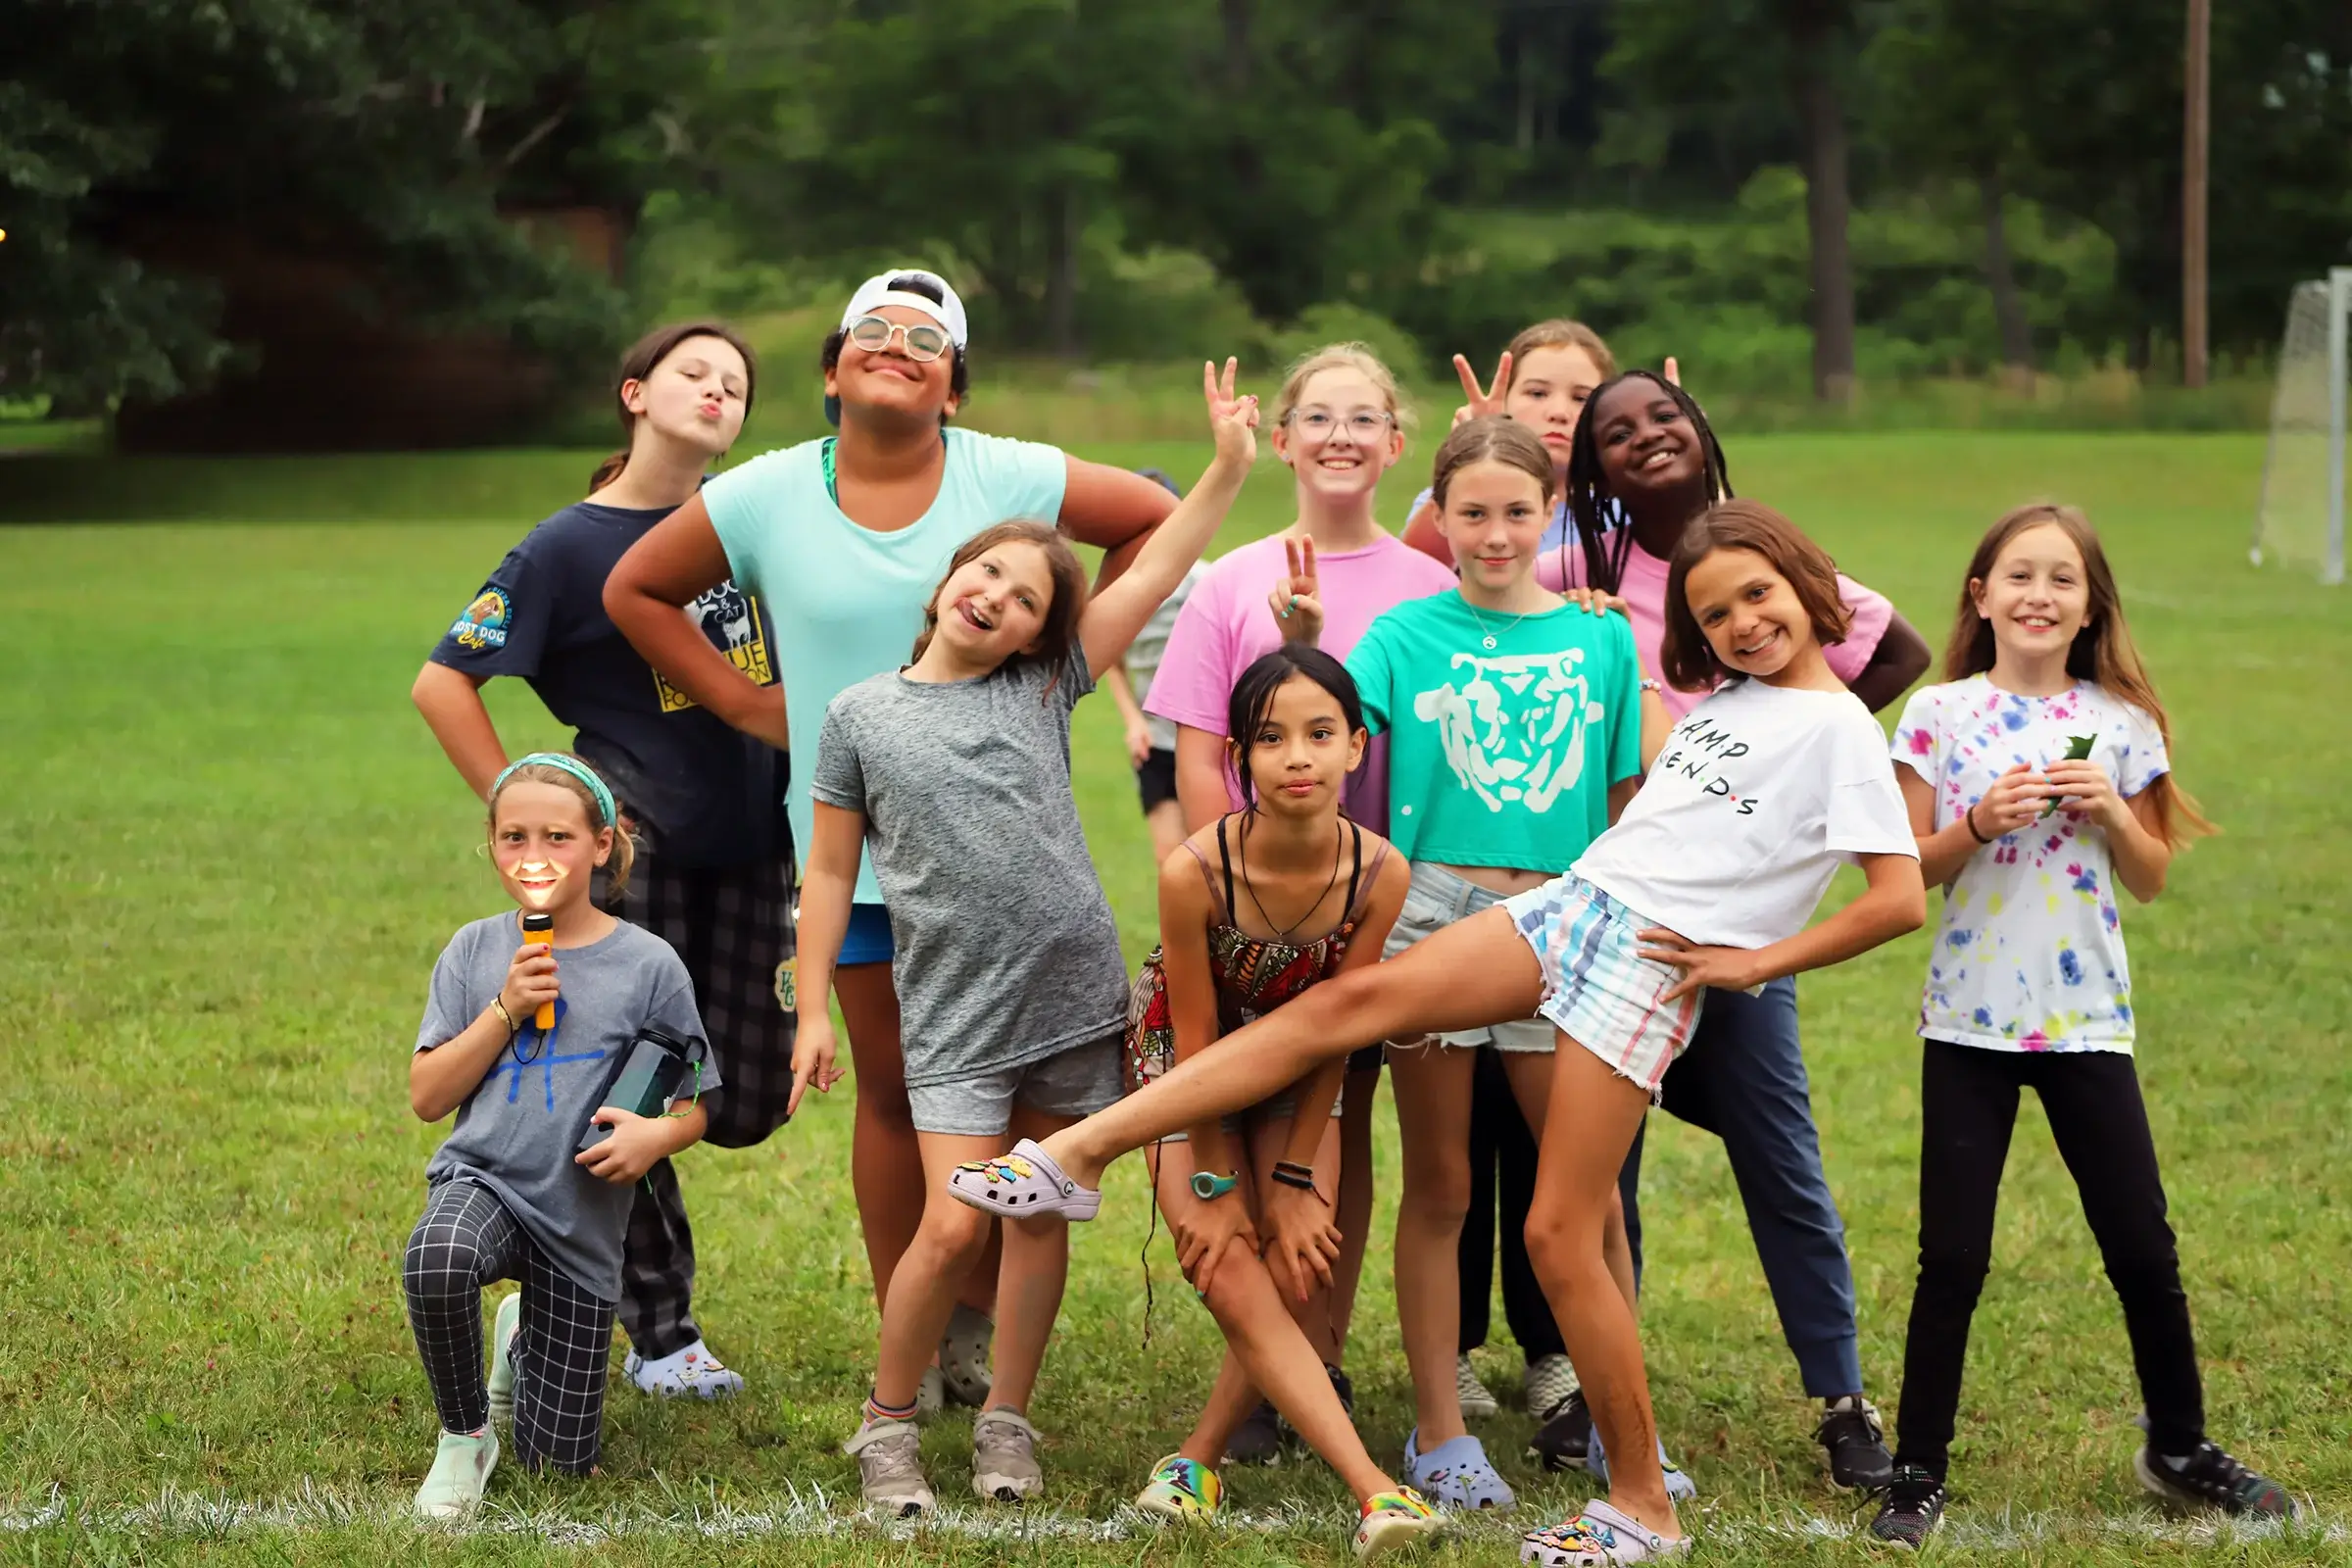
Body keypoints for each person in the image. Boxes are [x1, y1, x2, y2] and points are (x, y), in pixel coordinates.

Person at [953, 499, 1929, 1565]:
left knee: (1562, 1232)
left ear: (1804, 581)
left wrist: (1751, 963)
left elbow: (1896, 897)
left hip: (1646, 961)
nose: (1741, 621)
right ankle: (1077, 1153)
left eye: (1756, 594)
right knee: (1343, 1003)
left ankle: (1644, 1505)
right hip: (1574, 904)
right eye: (1713, 610)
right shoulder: (1730, 703)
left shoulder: (1838, 728)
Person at [603, 270, 1178, 1412]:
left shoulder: (1008, 474)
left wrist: (1053, 675)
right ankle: (909, 1330)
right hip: (860, 865)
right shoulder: (765, 495)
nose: (896, 347)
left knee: (1007, 1110)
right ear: (831, 369)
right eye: (873, 332)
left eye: (926, 340)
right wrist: (749, 704)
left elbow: (1153, 526)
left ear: (954, 388)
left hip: (998, 869)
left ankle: (974, 1322)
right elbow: (637, 589)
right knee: (895, 1094)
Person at [791, 361, 1256, 1515]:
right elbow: (830, 869)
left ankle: (1009, 1418)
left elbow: (1150, 565)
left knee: (1039, 1213)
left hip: (1073, 996)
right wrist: (809, 1006)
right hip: (953, 1007)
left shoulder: (1042, 691)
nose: (997, 595)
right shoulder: (860, 714)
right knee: (955, 1225)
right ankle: (887, 1425)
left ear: (1042, 639)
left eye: (1028, 596)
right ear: (950, 579)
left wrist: (1229, 468)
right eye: (986, 571)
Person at [1528, 369, 1934, 1486]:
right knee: (1608, 1168)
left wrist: (1811, 756)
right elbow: (1468, 560)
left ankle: (1843, 1397)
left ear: (1703, 424)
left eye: (1663, 415)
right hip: (1628, 908)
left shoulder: (1761, 560)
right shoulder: (1577, 567)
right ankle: (1603, 1396)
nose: (1647, 439)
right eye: (1615, 433)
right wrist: (1499, 439)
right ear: (1591, 469)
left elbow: (1896, 651)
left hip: (1737, 921)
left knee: (1777, 1149)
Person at [1867, 505, 2288, 1544]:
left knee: (2142, 1243)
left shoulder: (2122, 721)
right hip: (1969, 1020)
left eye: (2062, 579)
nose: (2039, 595)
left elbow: (2149, 877)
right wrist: (1978, 823)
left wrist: (2107, 808)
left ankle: (2180, 1445)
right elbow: (1900, 866)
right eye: (2018, 575)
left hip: (2087, 1020)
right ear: (1981, 593)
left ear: (2091, 604)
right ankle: (1916, 1470)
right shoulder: (1938, 713)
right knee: (1953, 1255)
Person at [1277, 416, 1666, 1510]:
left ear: (1552, 517)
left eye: (1516, 513)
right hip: (1434, 923)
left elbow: (1628, 798)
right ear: (1437, 520)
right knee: (1442, 1184)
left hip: (1566, 923)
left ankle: (1611, 1424)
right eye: (1472, 514)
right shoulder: (1403, 633)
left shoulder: (1601, 638)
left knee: (1582, 1199)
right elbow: (1315, 724)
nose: (1495, 535)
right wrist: (1304, 640)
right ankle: (1441, 1434)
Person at [411, 320, 778, 1400]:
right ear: (633, 393)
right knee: (630, 1090)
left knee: (742, 1096)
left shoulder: (749, 528)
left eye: (737, 385)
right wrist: (532, 818)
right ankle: (659, 1330)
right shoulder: (567, 546)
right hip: (640, 852)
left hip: (757, 847)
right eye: (693, 374)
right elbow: (445, 681)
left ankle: (557, 1265)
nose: (717, 392)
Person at [1142, 342, 1457, 1458]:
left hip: (1361, 905)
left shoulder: (1431, 584)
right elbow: (1194, 755)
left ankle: (1315, 1346)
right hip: (1242, 920)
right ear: (1280, 439)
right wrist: (1215, 890)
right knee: (1240, 1125)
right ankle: (1269, 1361)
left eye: (1363, 417)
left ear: (1395, 441)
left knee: (1338, 1129)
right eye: (1316, 416)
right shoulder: (1229, 580)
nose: (1338, 434)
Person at [1123, 644, 1445, 1560]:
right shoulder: (1195, 869)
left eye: (1319, 733)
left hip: (1309, 1067)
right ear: (1240, 756)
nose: (1296, 756)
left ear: (1357, 746)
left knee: (1299, 1262)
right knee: (1224, 1257)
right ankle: (1376, 1490)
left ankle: (1193, 1462)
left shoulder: (1380, 873)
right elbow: (1193, 1040)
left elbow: (1339, 1027)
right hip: (1191, 1068)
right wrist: (1219, 1173)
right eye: (1271, 738)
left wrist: (1299, 1172)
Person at [402, 755, 716, 1520]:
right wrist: (506, 1008)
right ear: (492, 845)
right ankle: (465, 1435)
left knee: (557, 1470)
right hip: (487, 1184)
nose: (533, 854)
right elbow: (427, 1096)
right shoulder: (475, 951)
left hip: (580, 1225)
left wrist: (654, 1139)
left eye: (557, 835)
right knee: (435, 1259)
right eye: (513, 836)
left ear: (602, 845)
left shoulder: (649, 966)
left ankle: (523, 1337)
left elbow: (697, 1103)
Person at [1103, 469, 1202, 865]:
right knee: (1171, 863)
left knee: (1207, 863)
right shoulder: (1118, 589)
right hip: (1155, 744)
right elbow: (1110, 659)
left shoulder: (1205, 582)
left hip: (1203, 743)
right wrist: (1133, 721)